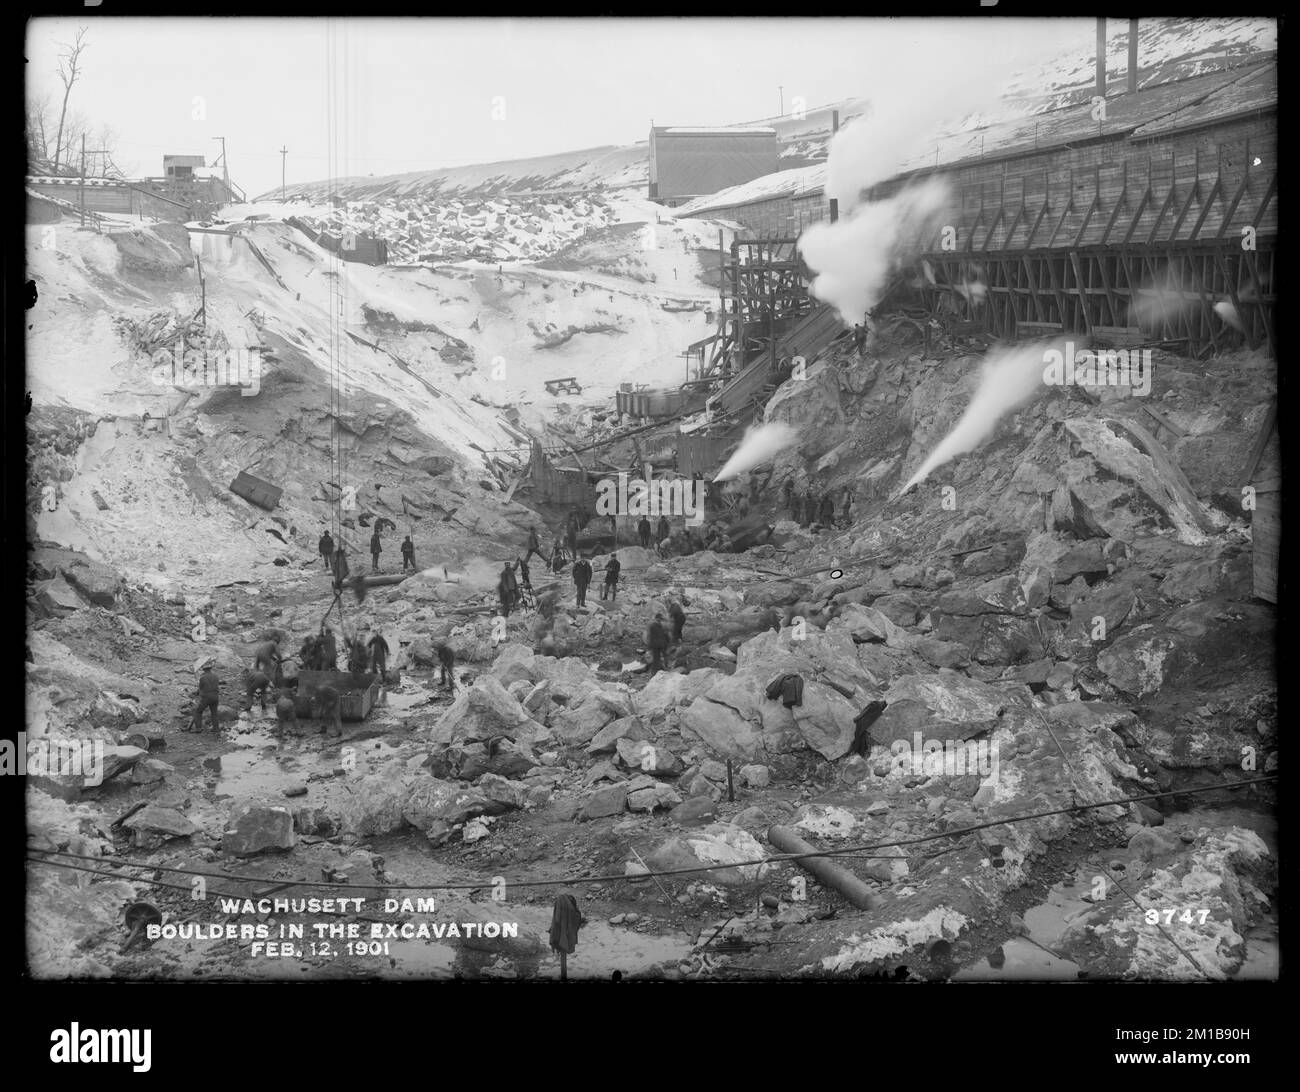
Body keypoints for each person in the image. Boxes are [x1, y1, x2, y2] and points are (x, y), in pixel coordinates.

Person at [189, 664, 221, 732]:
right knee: (214, 713)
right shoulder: (216, 676)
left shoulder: (202, 678)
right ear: (210, 669)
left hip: (206, 698)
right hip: (215, 697)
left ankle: (198, 728)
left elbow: (200, 688)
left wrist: (196, 693)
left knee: (198, 711)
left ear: (204, 670)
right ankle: (216, 728)